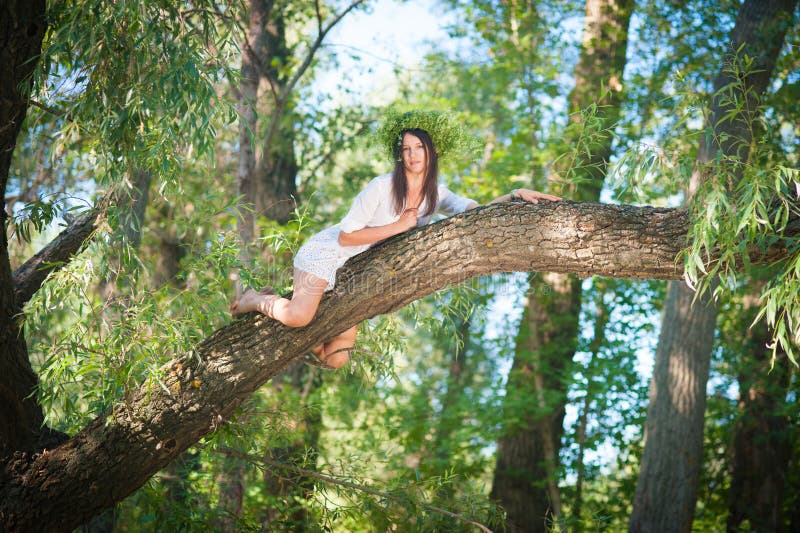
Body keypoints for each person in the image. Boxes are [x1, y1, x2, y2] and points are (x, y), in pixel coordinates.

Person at [230, 110, 561, 369]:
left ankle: (281, 303)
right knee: (298, 317)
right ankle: (253, 300)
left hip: (359, 272)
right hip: (326, 254)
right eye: (406, 149)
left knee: (335, 359)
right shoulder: (380, 187)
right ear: (399, 155)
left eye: (419, 148)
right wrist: (400, 226)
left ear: (430, 153)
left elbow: (475, 215)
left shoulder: (436, 194)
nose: (413, 155)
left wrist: (514, 194)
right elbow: (346, 237)